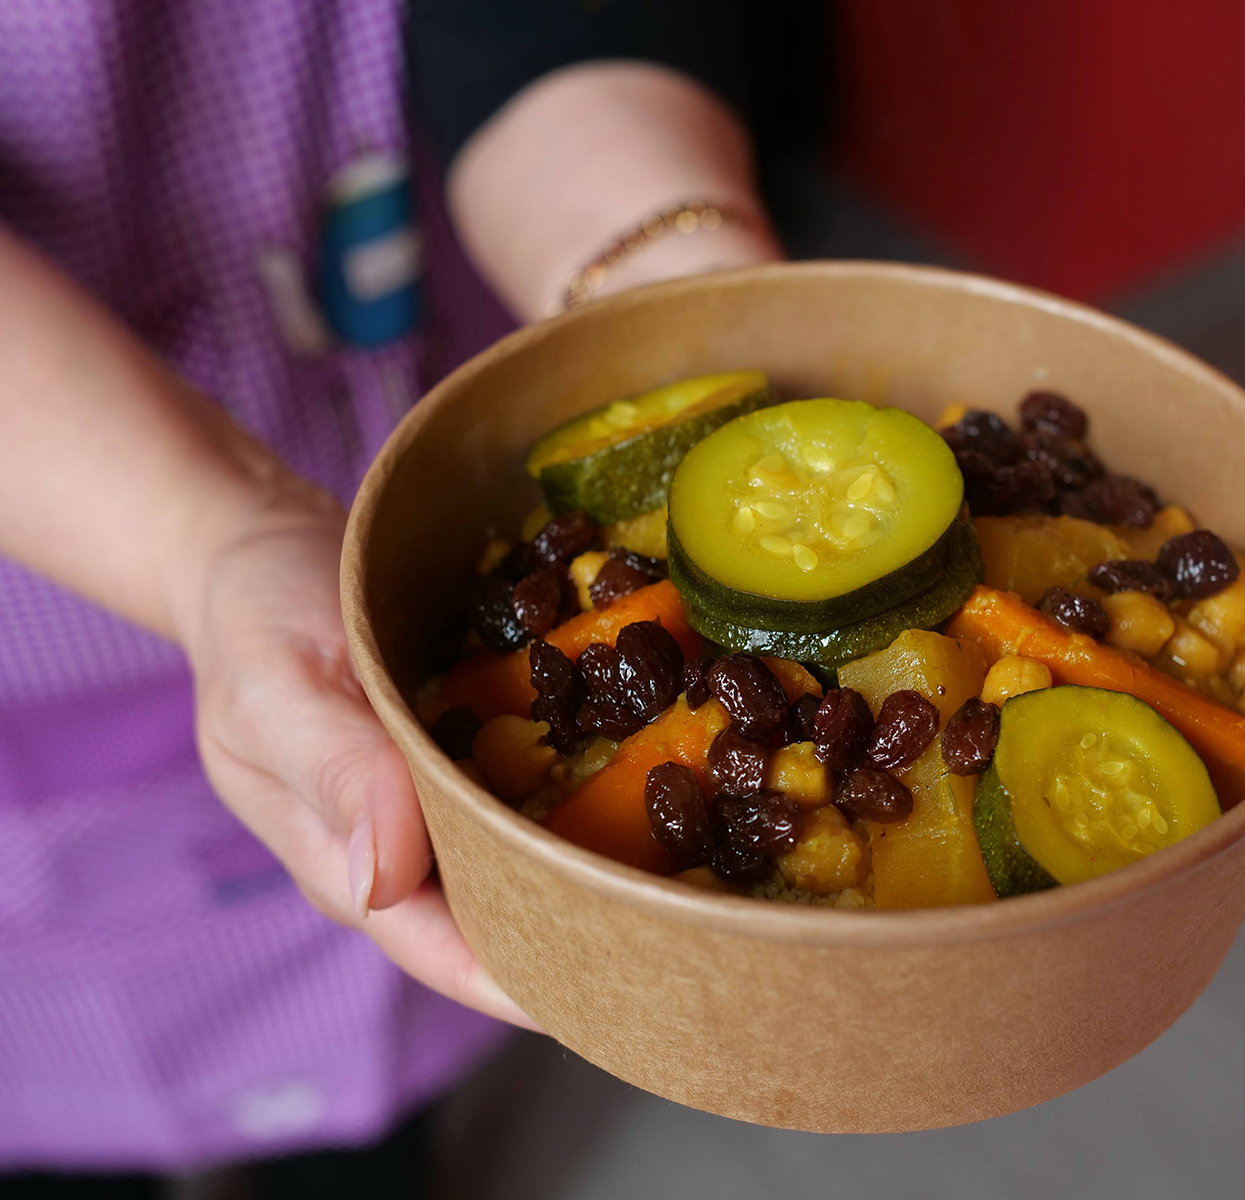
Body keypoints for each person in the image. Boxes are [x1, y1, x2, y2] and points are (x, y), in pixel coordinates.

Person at [0, 1, 785, 1193]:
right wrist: (218, 539)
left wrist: (672, 294)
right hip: (42, 646)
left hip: (401, 400)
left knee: (373, 1125)